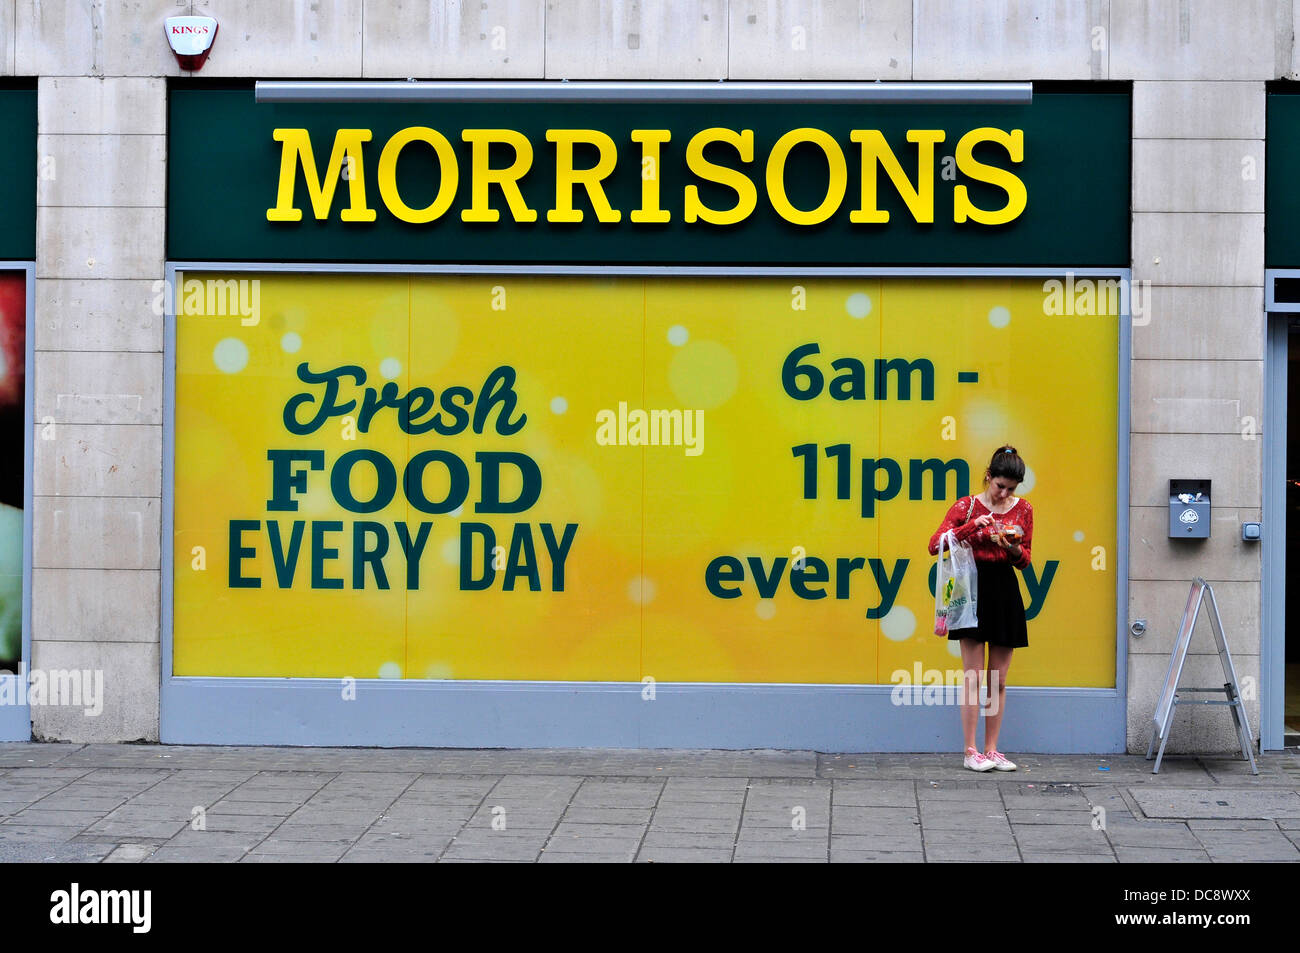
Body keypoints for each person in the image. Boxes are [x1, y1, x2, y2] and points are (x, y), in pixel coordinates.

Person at [927, 445, 1034, 772]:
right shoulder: (967, 506)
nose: (1004, 494)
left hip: (1004, 587)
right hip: (970, 585)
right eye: (999, 486)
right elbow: (934, 545)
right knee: (973, 676)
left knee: (998, 680)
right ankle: (970, 750)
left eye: (1010, 489)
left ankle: (992, 750)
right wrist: (972, 527)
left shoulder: (1024, 510)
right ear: (988, 476)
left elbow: (1026, 561)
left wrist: (1013, 547)